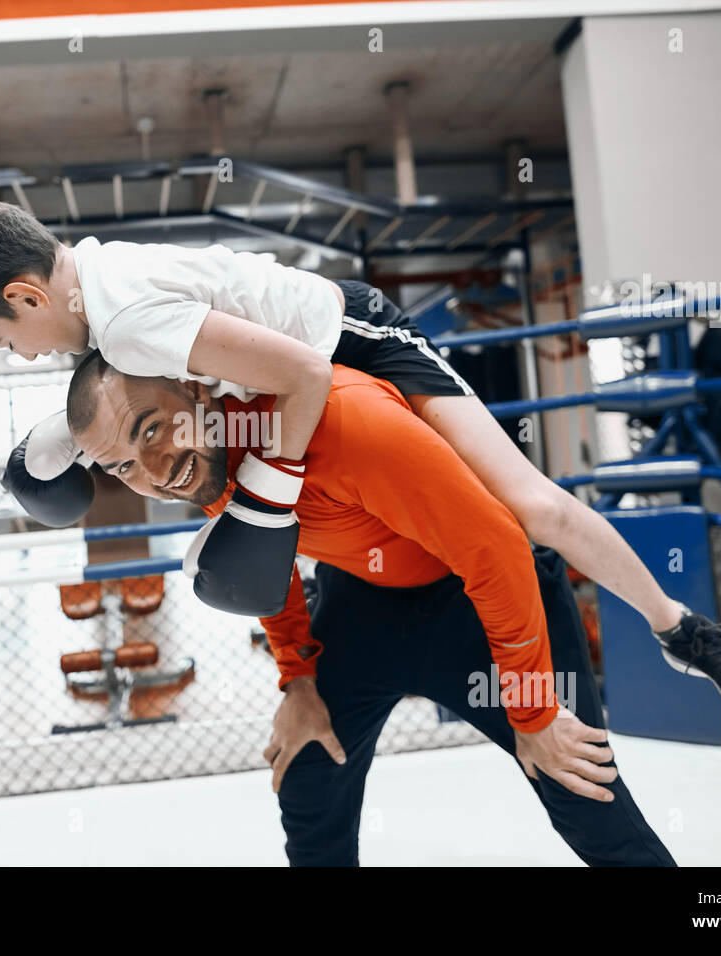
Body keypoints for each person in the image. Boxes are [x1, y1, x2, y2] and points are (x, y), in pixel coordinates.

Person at [0, 197, 721, 716]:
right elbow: (112, 390)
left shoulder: (126, 314)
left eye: (4, 340)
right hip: (309, 366)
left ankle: (682, 629)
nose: (21, 355)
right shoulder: (95, 289)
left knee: (532, 509)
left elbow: (300, 372)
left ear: (28, 294)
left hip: (359, 340)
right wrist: (45, 451)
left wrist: (265, 497)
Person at [63, 352, 679, 865]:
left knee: (582, 788)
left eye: (149, 428)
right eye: (121, 465)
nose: (152, 471)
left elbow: (495, 549)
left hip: (487, 589)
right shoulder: (202, 460)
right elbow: (258, 565)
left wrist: (534, 709)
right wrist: (297, 682)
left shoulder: (341, 419)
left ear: (195, 388)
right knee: (308, 772)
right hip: (365, 603)